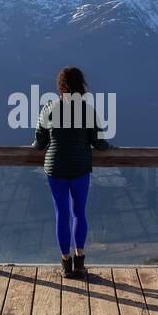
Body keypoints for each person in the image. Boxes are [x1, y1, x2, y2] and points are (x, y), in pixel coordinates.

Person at [33, 66, 110, 279]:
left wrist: (38, 141)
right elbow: (98, 142)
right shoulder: (88, 110)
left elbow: (40, 143)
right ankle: (80, 262)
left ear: (60, 86)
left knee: (62, 214)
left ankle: (65, 264)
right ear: (81, 85)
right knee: (79, 213)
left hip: (55, 167)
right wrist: (110, 148)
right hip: (80, 168)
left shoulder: (49, 108)